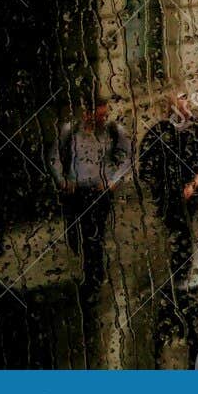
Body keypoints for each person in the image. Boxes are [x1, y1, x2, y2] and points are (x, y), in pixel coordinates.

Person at [49, 100, 132, 300]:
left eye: (104, 115)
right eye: (98, 116)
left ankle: (93, 279)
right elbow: (55, 157)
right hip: (75, 191)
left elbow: (128, 155)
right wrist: (62, 180)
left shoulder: (113, 130)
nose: (102, 119)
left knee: (94, 236)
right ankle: (87, 265)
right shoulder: (71, 131)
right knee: (75, 235)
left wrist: (113, 180)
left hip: (99, 191)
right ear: (87, 113)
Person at [137, 95, 198, 286]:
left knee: (184, 231)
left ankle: (181, 275)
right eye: (178, 108)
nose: (184, 110)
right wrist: (157, 188)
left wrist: (194, 184)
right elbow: (145, 165)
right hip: (167, 194)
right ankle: (179, 271)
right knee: (175, 230)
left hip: (190, 192)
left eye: (185, 106)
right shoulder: (159, 131)